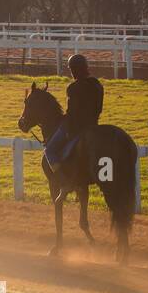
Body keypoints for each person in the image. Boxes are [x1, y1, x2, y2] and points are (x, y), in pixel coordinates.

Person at [43, 54, 103, 192]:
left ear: (74, 69)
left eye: (71, 69)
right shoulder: (97, 84)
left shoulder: (73, 88)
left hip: (76, 127)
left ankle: (64, 182)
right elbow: (99, 109)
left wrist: (64, 121)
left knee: (50, 150)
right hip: (93, 125)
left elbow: (71, 113)